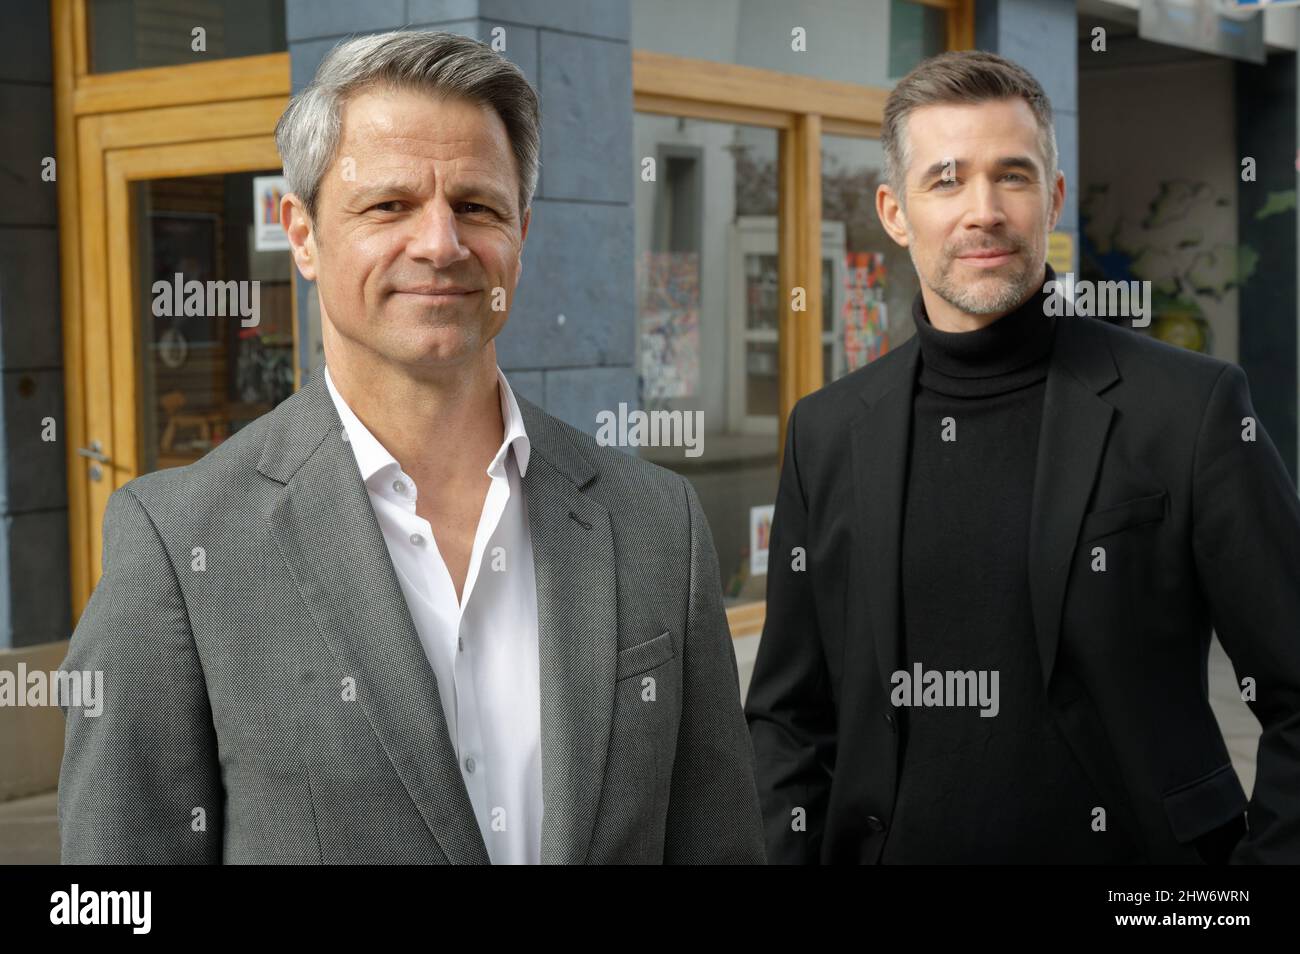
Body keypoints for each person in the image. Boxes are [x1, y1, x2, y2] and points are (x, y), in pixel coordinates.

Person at [59, 30, 764, 865]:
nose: (441, 244)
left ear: (521, 233)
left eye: (476, 206)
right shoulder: (180, 546)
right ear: (304, 233)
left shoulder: (655, 521)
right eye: (388, 205)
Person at [746, 49, 1300, 864]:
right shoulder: (827, 432)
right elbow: (789, 717)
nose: (984, 211)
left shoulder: (1189, 408)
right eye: (946, 179)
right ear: (896, 213)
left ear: (1054, 198)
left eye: (1013, 175)